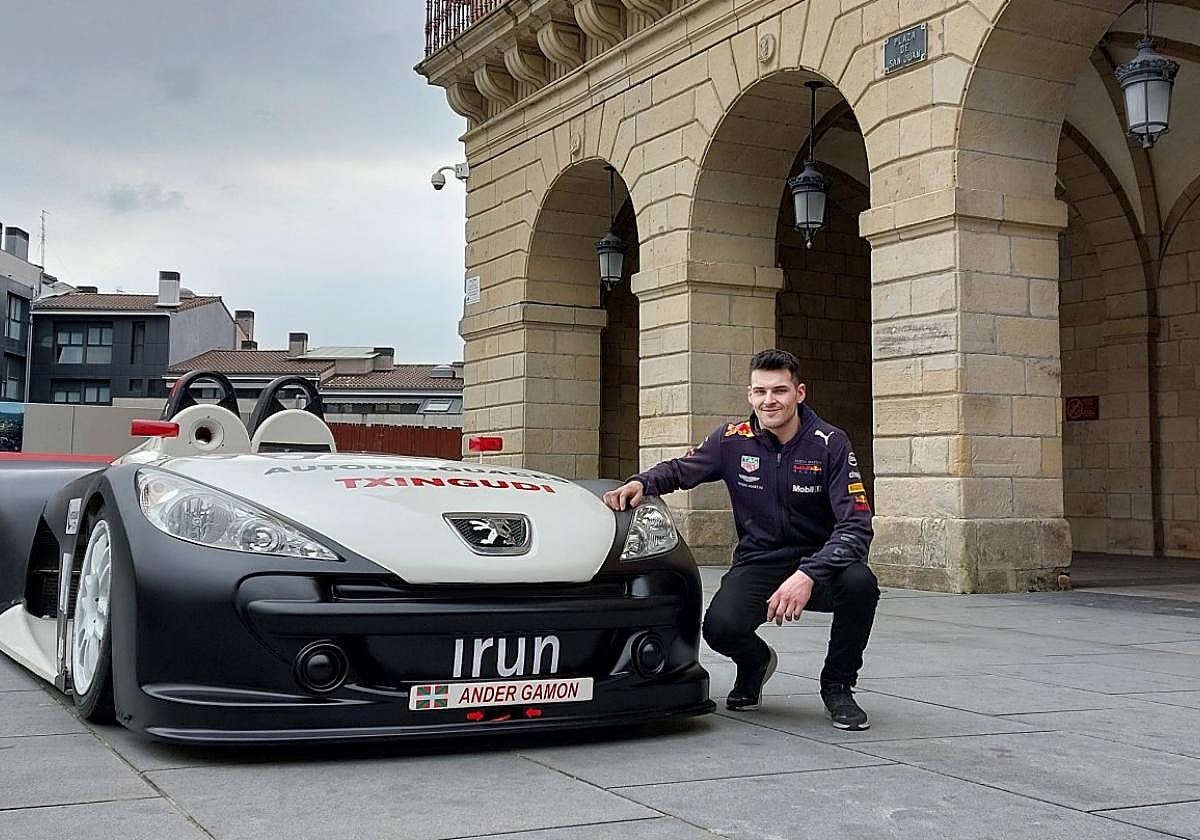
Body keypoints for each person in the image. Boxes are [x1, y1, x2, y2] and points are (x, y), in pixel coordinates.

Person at [604, 348, 879, 730]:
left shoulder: (830, 443)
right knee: (720, 628)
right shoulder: (732, 440)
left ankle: (838, 686)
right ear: (750, 395)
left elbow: (856, 527)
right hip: (760, 562)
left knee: (860, 583)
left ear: (799, 393)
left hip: (821, 567)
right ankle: (754, 663)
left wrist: (808, 574)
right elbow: (683, 469)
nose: (770, 401)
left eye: (780, 391)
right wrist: (641, 482)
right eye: (760, 392)